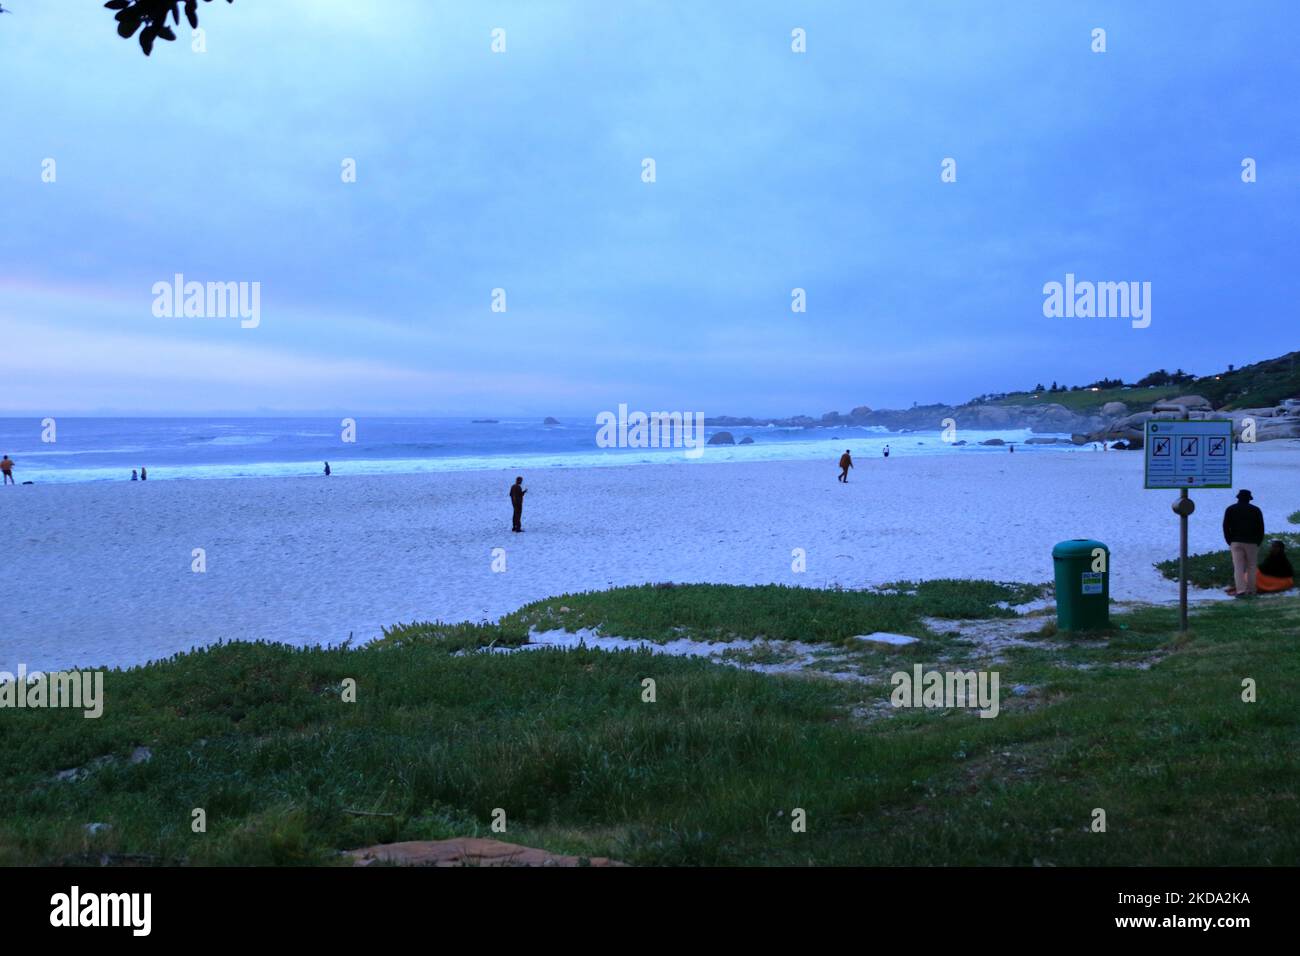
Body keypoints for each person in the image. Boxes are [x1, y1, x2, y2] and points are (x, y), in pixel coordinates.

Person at [1223, 489, 1265, 597]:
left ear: (1238, 498)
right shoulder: (1256, 510)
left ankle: (1241, 591)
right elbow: (1261, 528)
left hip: (1236, 541)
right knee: (1251, 567)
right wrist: (1258, 541)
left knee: (1238, 567)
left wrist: (1229, 541)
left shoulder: (1230, 509)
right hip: (1252, 542)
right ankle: (1251, 590)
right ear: (1249, 499)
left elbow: (1226, 526)